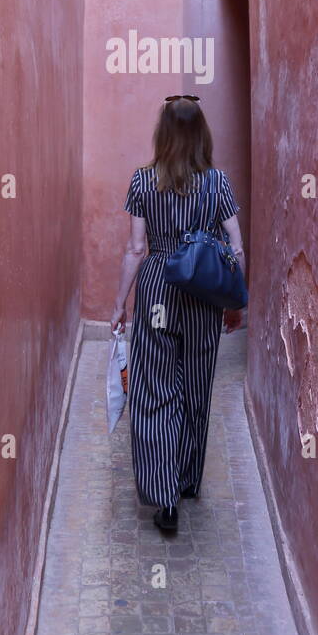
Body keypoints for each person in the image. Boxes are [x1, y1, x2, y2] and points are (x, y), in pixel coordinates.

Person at [110, 95, 246, 533]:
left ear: (163, 134)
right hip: (204, 294)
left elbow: (135, 248)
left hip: (157, 292)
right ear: (201, 133)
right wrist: (234, 302)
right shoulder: (218, 183)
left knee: (155, 389)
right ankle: (186, 480)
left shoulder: (143, 181)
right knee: (194, 386)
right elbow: (236, 247)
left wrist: (120, 304)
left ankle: (164, 494)